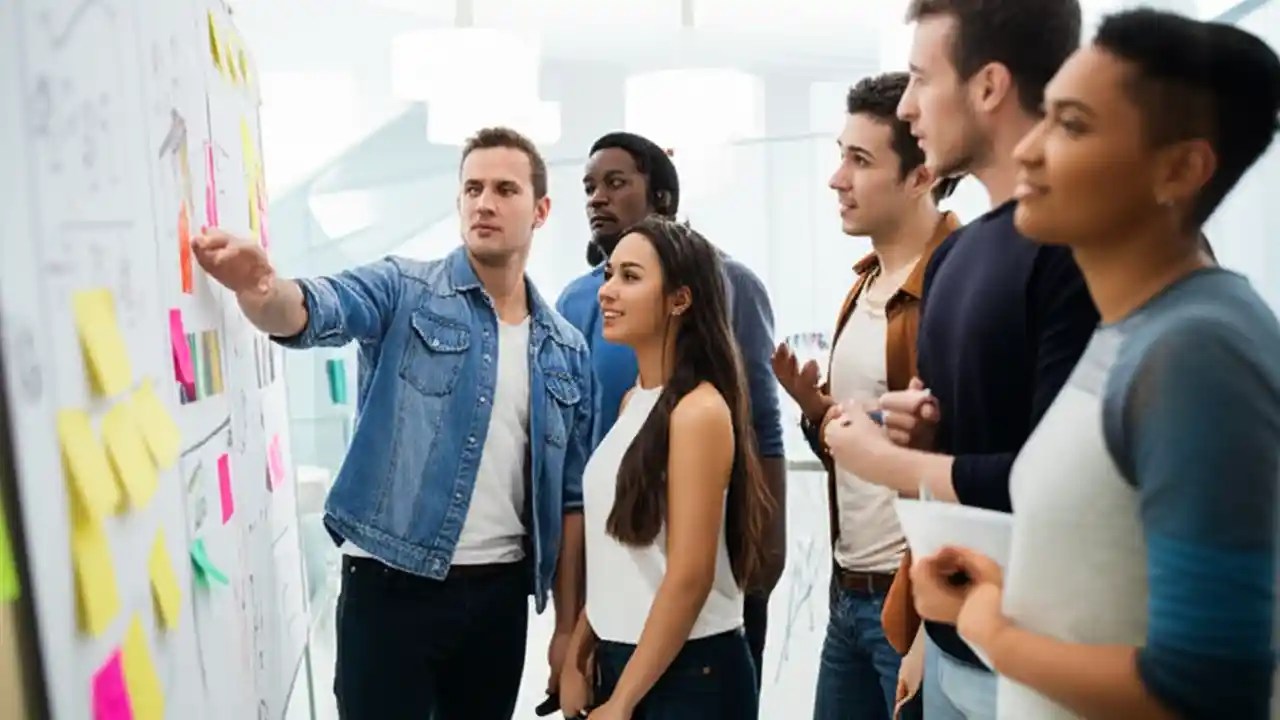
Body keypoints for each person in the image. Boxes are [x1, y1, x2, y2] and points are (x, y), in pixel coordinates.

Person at [908, 10, 1280, 719]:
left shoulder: (1198, 349)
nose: (1029, 151)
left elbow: (1207, 683)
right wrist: (999, 587)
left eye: (1072, 126)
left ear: (1179, 168)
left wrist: (988, 627)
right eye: (1044, 117)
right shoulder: (1134, 333)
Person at [191, 127, 592, 719]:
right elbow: (314, 309)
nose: (484, 202)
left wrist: (567, 629)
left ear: (541, 210)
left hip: (498, 599)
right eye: (472, 188)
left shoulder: (565, 348)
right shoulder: (404, 288)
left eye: (505, 189)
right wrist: (261, 287)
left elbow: (569, 502)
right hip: (389, 587)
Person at [821, 1, 1099, 717]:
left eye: (920, 79)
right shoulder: (958, 260)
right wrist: (926, 431)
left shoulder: (1093, 248)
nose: (909, 107)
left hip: (1058, 663)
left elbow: (1072, 490)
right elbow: (973, 453)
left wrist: (889, 462)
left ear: (989, 86)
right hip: (952, 648)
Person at [556, 132, 787, 685]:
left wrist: (765, 555)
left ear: (661, 197)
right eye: (588, 186)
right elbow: (577, 452)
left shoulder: (731, 286)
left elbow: (763, 429)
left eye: (615, 183)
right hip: (620, 572)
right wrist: (576, 621)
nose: (597, 198)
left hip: (703, 581)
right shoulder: (580, 303)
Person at [772, 71, 959, 720]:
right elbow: (868, 456)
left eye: (859, 160)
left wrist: (926, 633)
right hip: (848, 596)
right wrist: (817, 411)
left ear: (920, 175)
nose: (837, 179)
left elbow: (961, 468)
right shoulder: (865, 284)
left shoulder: (953, 286)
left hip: (912, 609)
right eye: (838, 157)